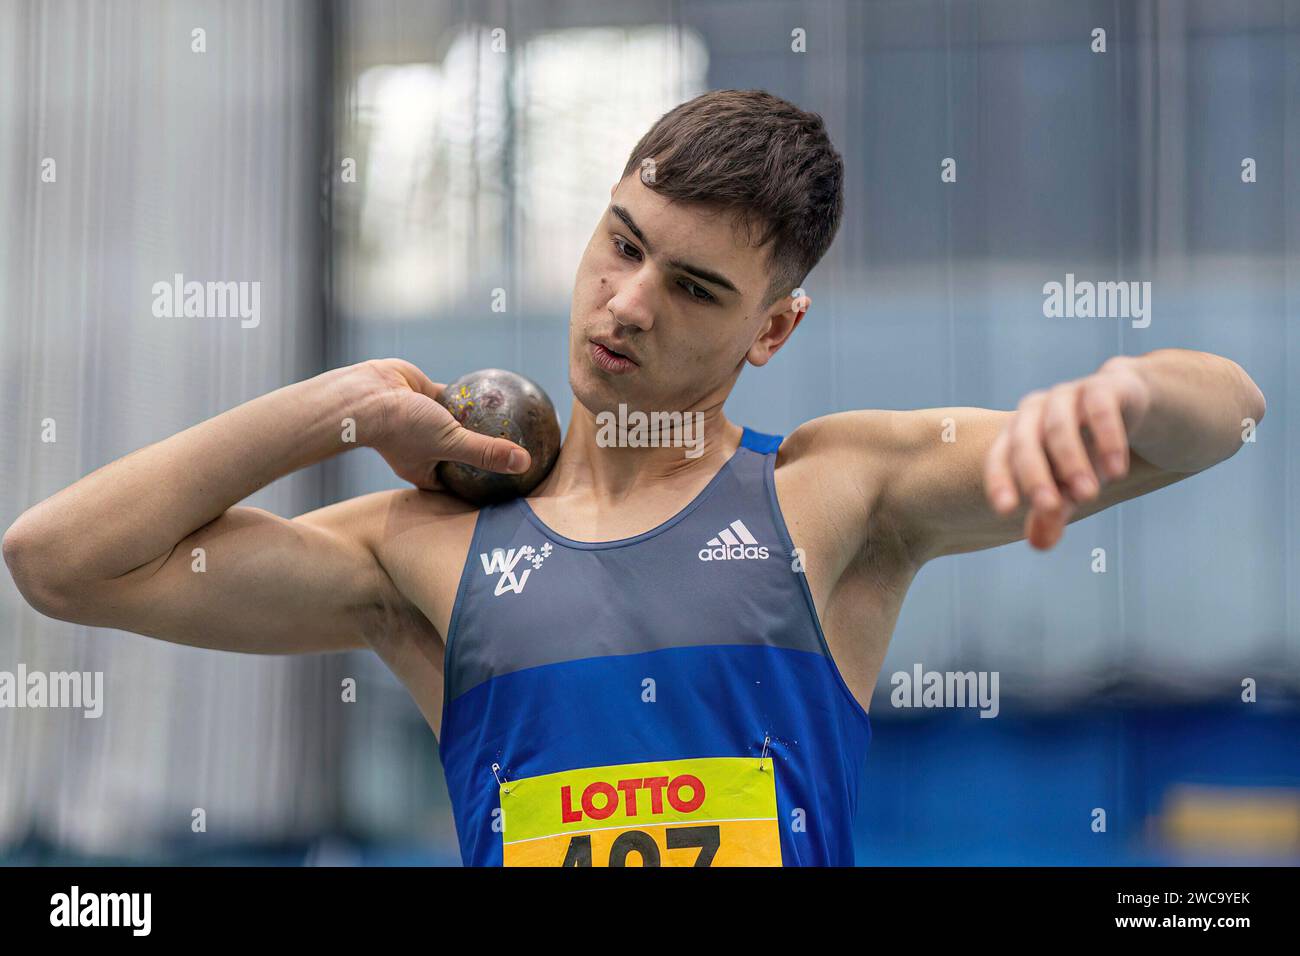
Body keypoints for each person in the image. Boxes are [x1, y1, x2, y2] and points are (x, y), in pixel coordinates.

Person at [2, 89, 1266, 866]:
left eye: (695, 288)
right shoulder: (425, 551)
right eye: (622, 244)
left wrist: (1125, 392)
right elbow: (56, 558)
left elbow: (1225, 415)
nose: (626, 304)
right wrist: (338, 406)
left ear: (771, 332)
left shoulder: (832, 497)